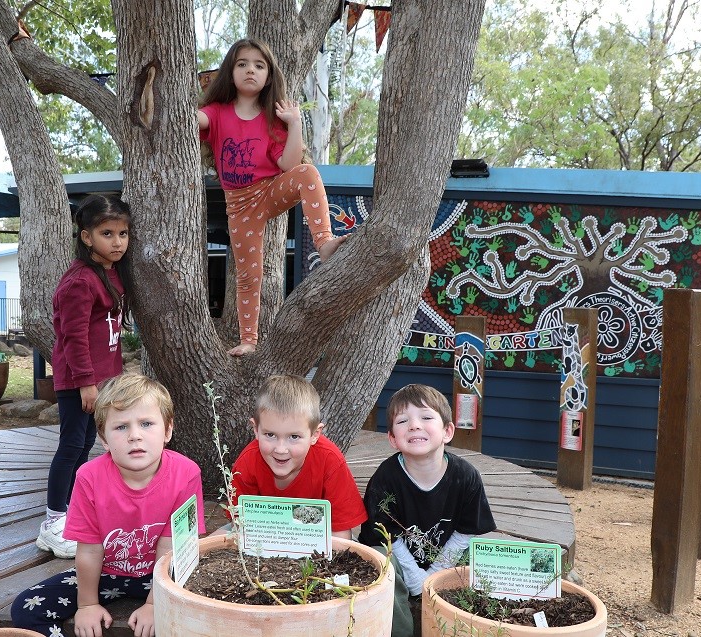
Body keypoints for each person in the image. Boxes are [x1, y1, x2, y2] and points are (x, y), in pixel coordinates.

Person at [11, 373, 204, 637]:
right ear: (103, 438)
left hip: (166, 575)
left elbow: (172, 547)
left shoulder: (186, 473)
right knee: (27, 608)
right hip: (105, 573)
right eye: (121, 427)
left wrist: (155, 603)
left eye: (146, 423)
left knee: (207, 609)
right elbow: (89, 550)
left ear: (167, 430)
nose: (134, 436)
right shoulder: (89, 477)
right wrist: (87, 604)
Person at [197, 38, 348, 357]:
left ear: (268, 76)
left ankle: (325, 242)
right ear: (230, 72)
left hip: (269, 191)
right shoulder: (217, 112)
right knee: (249, 275)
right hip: (239, 206)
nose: (250, 70)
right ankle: (248, 340)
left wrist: (294, 124)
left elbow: (289, 165)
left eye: (258, 65)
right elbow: (196, 121)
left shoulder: (272, 118)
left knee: (307, 173)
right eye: (242, 64)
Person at [356, 384, 497, 637]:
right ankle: (400, 631)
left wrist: (433, 575)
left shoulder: (466, 477)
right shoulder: (385, 479)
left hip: (449, 555)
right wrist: (414, 579)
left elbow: (466, 532)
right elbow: (387, 537)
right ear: (392, 438)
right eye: (403, 420)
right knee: (379, 564)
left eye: (426, 417)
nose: (414, 425)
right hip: (396, 555)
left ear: (447, 431)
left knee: (485, 566)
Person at [37, 194, 132, 559]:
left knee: (85, 445)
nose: (118, 241)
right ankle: (52, 523)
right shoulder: (79, 281)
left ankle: (71, 516)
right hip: (80, 381)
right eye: (107, 233)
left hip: (101, 380)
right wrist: (86, 382)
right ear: (87, 236)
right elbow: (72, 336)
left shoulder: (109, 273)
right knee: (72, 446)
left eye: (123, 233)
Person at [224, 374, 366, 538]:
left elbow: (341, 534)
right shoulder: (247, 463)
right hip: (262, 535)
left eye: (294, 437)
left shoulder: (330, 461)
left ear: (314, 434)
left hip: (319, 538)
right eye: (270, 435)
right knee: (219, 538)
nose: (281, 449)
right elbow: (240, 524)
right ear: (256, 429)